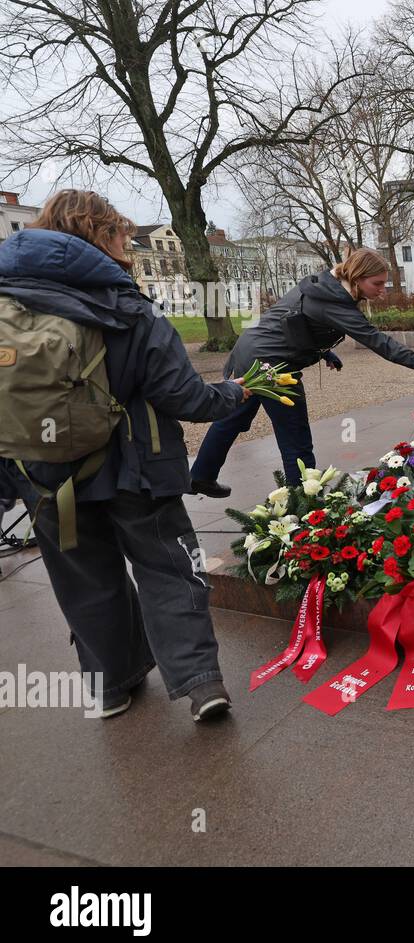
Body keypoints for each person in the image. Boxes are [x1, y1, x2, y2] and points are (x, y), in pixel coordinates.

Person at [0, 189, 250, 721]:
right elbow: (183, 397)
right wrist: (234, 393)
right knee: (168, 569)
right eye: (120, 233)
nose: (127, 244)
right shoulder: (128, 306)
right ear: (102, 234)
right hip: (137, 470)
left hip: (42, 477)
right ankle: (201, 684)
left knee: (85, 580)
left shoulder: (7, 305)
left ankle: (111, 688)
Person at [190, 249, 414, 496]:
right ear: (357, 278)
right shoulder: (335, 301)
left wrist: (322, 350)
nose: (382, 290)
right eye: (378, 283)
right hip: (272, 364)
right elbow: (382, 344)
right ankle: (304, 506)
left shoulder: (323, 285)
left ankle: (200, 476)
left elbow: (296, 322)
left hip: (249, 351)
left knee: (231, 420)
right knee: (295, 436)